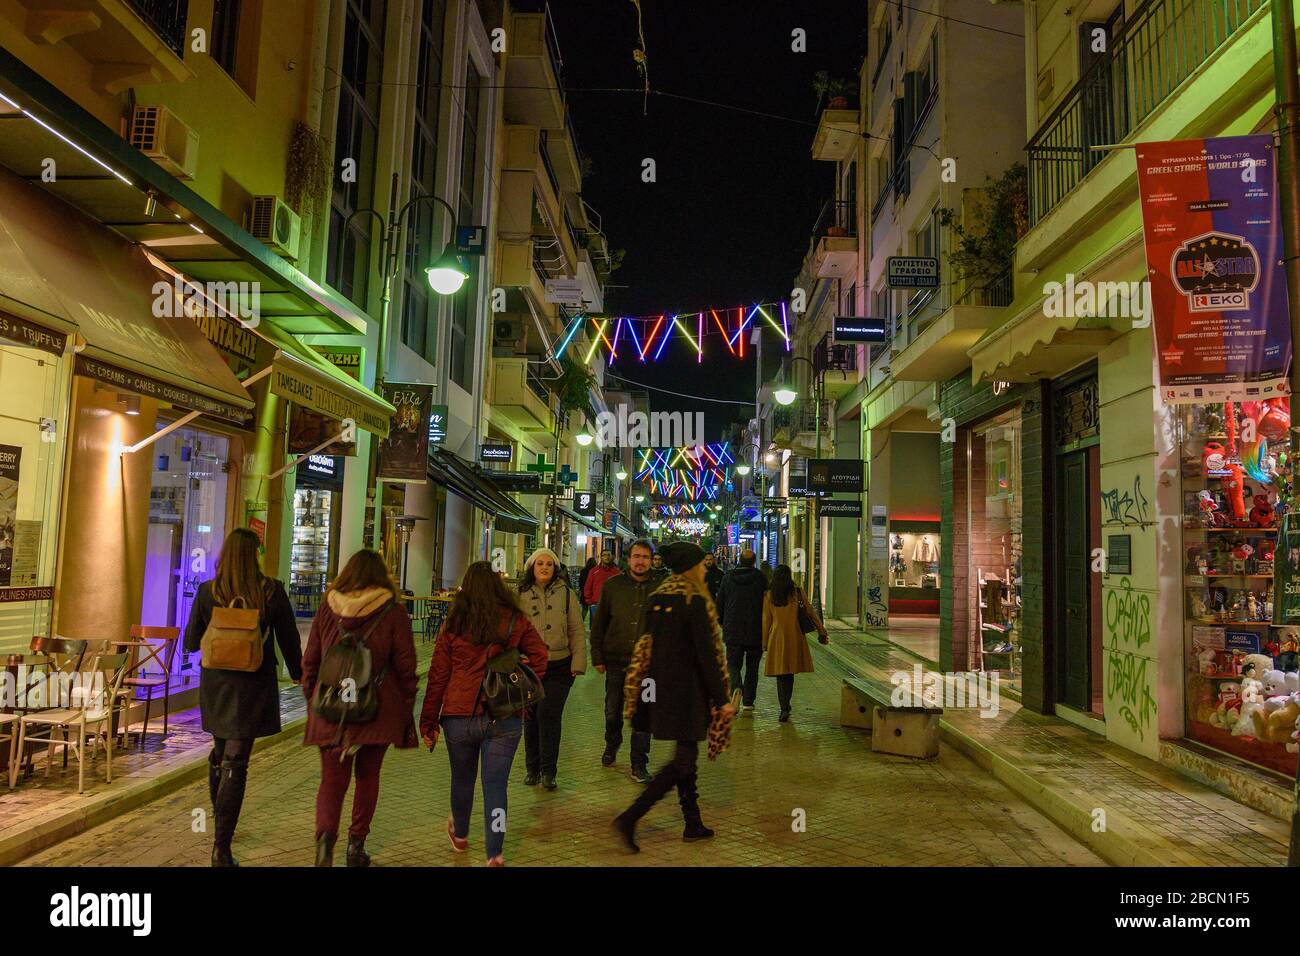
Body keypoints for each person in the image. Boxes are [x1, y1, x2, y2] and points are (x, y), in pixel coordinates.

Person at [183, 527, 303, 867]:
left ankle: (220, 832)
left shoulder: (208, 591)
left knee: (221, 752)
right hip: (252, 685)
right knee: (236, 760)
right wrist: (298, 671)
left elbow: (191, 642)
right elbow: (289, 637)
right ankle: (222, 846)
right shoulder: (271, 591)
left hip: (217, 684)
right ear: (253, 557)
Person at [420, 562, 547, 867]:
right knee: (496, 787)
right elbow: (541, 656)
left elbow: (438, 676)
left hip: (458, 716)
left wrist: (428, 721)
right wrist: (523, 693)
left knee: (462, 781)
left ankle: (461, 835)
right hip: (504, 715)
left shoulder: (453, 623)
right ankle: (495, 852)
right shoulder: (515, 620)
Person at [611, 542, 733, 852]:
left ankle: (693, 822)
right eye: (701, 565)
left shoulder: (659, 595)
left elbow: (645, 644)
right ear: (691, 568)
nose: (705, 569)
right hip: (688, 694)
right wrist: (722, 698)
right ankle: (630, 817)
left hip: (661, 689)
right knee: (682, 762)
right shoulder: (693, 600)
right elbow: (706, 655)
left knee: (686, 757)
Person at [301, 549, 417, 867]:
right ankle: (356, 846)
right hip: (374, 710)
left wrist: (314, 701)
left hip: (331, 709)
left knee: (331, 781)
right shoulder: (393, 612)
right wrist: (406, 706)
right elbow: (407, 667)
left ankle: (325, 843)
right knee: (368, 777)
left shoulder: (328, 607)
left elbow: (310, 661)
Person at [516, 547, 586, 790]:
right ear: (532, 568)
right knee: (531, 717)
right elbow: (512, 630)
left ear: (555, 568)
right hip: (529, 666)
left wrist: (578, 663)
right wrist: (517, 655)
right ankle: (532, 768)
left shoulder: (567, 594)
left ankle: (549, 771)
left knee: (549, 715)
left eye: (548, 564)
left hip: (559, 666)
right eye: (539, 564)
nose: (544, 567)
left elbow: (577, 630)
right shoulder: (521, 594)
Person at [590, 539, 658, 782]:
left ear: (652, 560)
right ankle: (612, 742)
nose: (640, 561)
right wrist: (597, 656)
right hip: (617, 660)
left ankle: (639, 763)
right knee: (613, 710)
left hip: (649, 665)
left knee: (645, 714)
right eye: (636, 556)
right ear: (628, 559)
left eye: (645, 557)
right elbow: (599, 625)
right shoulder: (612, 586)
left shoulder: (661, 587)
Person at [762, 565, 828, 722]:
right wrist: (821, 630)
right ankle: (786, 705)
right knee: (789, 672)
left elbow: (766, 620)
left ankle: (783, 707)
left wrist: (764, 642)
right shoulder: (796, 592)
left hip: (776, 636)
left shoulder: (770, 594)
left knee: (780, 673)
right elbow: (810, 611)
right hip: (794, 635)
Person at [717, 549, 768, 712]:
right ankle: (748, 702)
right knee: (752, 668)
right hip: (755, 629)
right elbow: (767, 603)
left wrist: (722, 621)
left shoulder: (728, 577)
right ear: (754, 562)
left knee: (733, 664)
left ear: (739, 560)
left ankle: (736, 687)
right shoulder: (760, 578)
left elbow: (720, 601)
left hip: (733, 628)